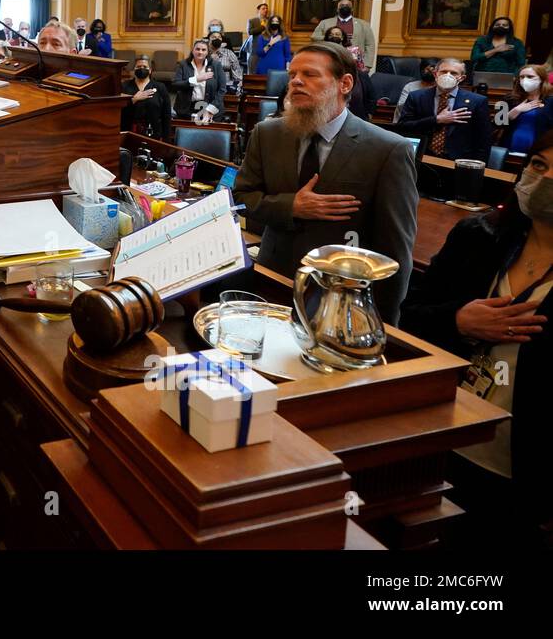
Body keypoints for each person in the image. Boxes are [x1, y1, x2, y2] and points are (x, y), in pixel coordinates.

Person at [399, 133, 553, 547]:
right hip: (440, 437)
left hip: (519, 467)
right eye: (538, 165)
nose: (545, 179)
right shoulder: (478, 235)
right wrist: (457, 320)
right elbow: (409, 316)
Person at [234, 43, 418, 326]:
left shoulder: (388, 149)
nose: (295, 81)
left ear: (344, 83)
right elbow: (243, 197)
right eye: (292, 73)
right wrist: (290, 206)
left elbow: (395, 251)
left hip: (340, 300)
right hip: (273, 283)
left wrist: (384, 326)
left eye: (309, 74)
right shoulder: (267, 133)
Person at [398, 57, 492, 163]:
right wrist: (436, 119)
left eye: (453, 73)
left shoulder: (477, 101)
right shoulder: (416, 97)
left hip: (458, 163)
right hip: (422, 158)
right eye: (443, 72)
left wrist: (476, 169)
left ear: (461, 78)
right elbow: (403, 127)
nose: (448, 75)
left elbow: (483, 141)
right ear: (435, 74)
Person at [170, 39, 226, 124]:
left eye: (203, 50)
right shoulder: (183, 64)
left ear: (207, 52)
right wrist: (196, 79)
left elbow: (222, 89)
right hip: (186, 109)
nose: (200, 52)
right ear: (192, 51)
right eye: (197, 49)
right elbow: (175, 84)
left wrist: (210, 109)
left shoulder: (216, 65)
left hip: (210, 107)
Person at [322, 26, 372, 119]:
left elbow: (360, 68)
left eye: (337, 34)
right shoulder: (322, 51)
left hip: (352, 78)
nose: (334, 36)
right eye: (331, 34)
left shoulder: (353, 51)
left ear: (342, 37)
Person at [310, 0, 377, 67]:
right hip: (330, 60)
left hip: (354, 63)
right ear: (337, 9)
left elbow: (370, 44)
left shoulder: (364, 24)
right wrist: (330, 37)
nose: (345, 7)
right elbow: (314, 37)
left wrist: (367, 65)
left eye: (347, 5)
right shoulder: (325, 22)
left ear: (352, 9)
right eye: (342, 5)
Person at [502, 65, 553, 154]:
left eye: (530, 77)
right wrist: (516, 111)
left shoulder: (551, 101)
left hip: (539, 149)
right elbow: (496, 123)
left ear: (542, 79)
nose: (525, 80)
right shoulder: (508, 98)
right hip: (509, 146)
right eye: (522, 77)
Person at [121, 55, 172, 141]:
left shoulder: (160, 87)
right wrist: (134, 99)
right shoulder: (124, 86)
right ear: (134, 70)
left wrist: (166, 138)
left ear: (150, 70)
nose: (141, 68)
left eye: (145, 67)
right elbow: (118, 110)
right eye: (138, 67)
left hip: (153, 133)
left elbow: (166, 115)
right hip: (129, 132)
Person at [394, 58, 438, 124]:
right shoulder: (410, 86)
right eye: (426, 69)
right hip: (409, 123)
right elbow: (401, 107)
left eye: (432, 70)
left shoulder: (441, 88)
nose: (428, 72)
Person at [208, 30, 242, 94]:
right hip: (207, 85)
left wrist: (239, 83)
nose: (217, 39)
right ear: (209, 39)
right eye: (214, 37)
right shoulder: (204, 53)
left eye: (219, 37)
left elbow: (237, 71)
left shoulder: (229, 53)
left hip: (226, 85)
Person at [243, 2, 270, 72]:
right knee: (252, 71)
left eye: (266, 8)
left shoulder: (270, 21)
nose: (265, 10)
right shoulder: (252, 20)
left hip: (267, 50)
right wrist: (262, 27)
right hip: (254, 50)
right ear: (258, 10)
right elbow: (250, 32)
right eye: (263, 8)